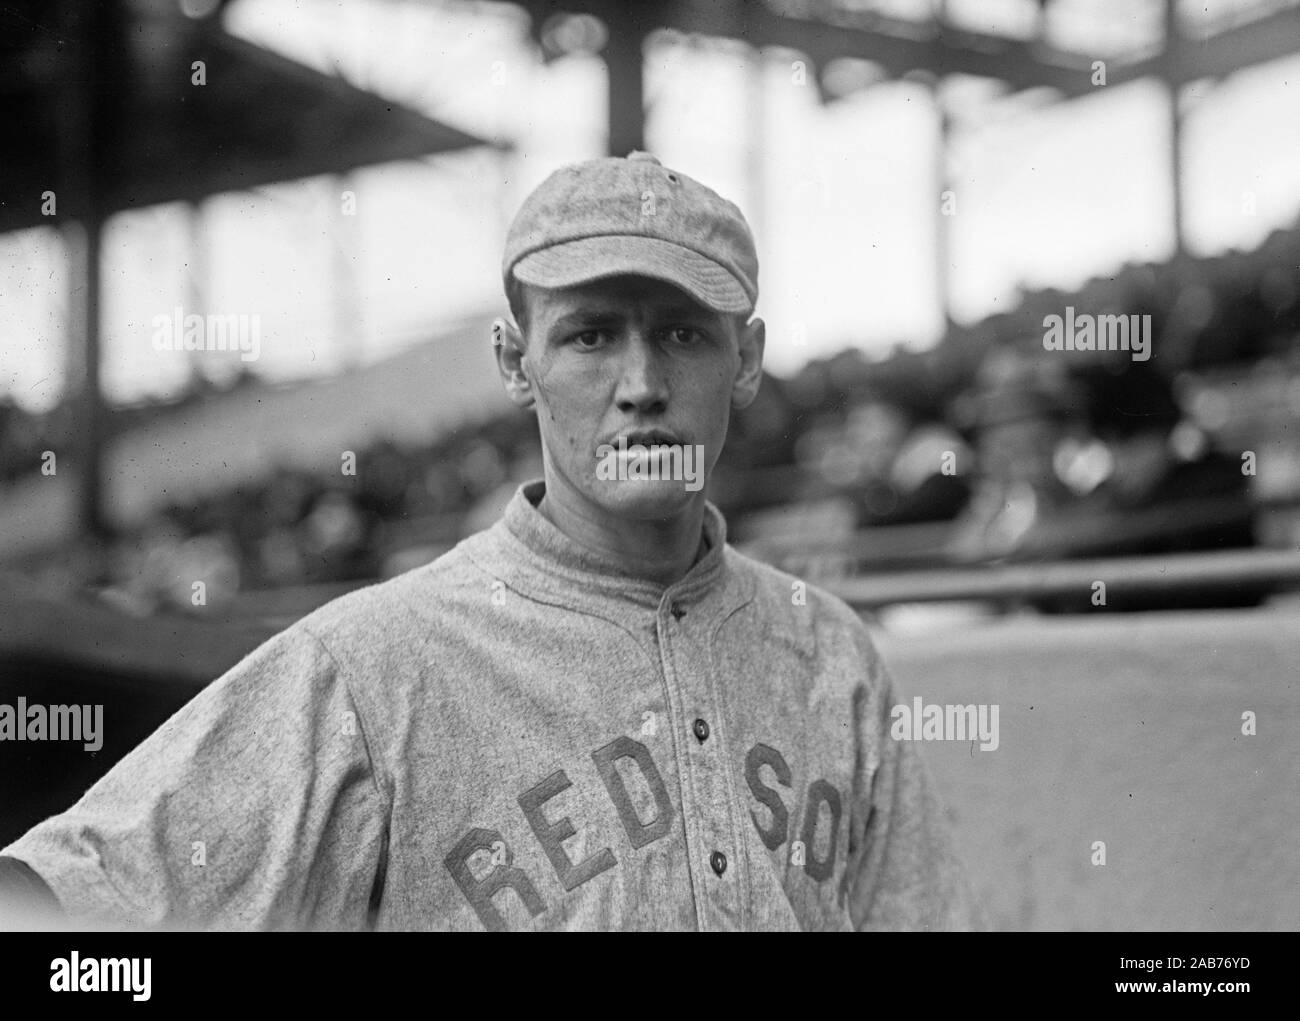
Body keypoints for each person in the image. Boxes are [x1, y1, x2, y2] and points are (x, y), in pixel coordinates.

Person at [0, 151, 980, 931]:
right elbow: (66, 903)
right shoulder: (376, 663)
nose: (640, 383)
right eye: (590, 336)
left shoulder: (829, 653)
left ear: (748, 359)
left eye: (683, 334)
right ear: (516, 361)